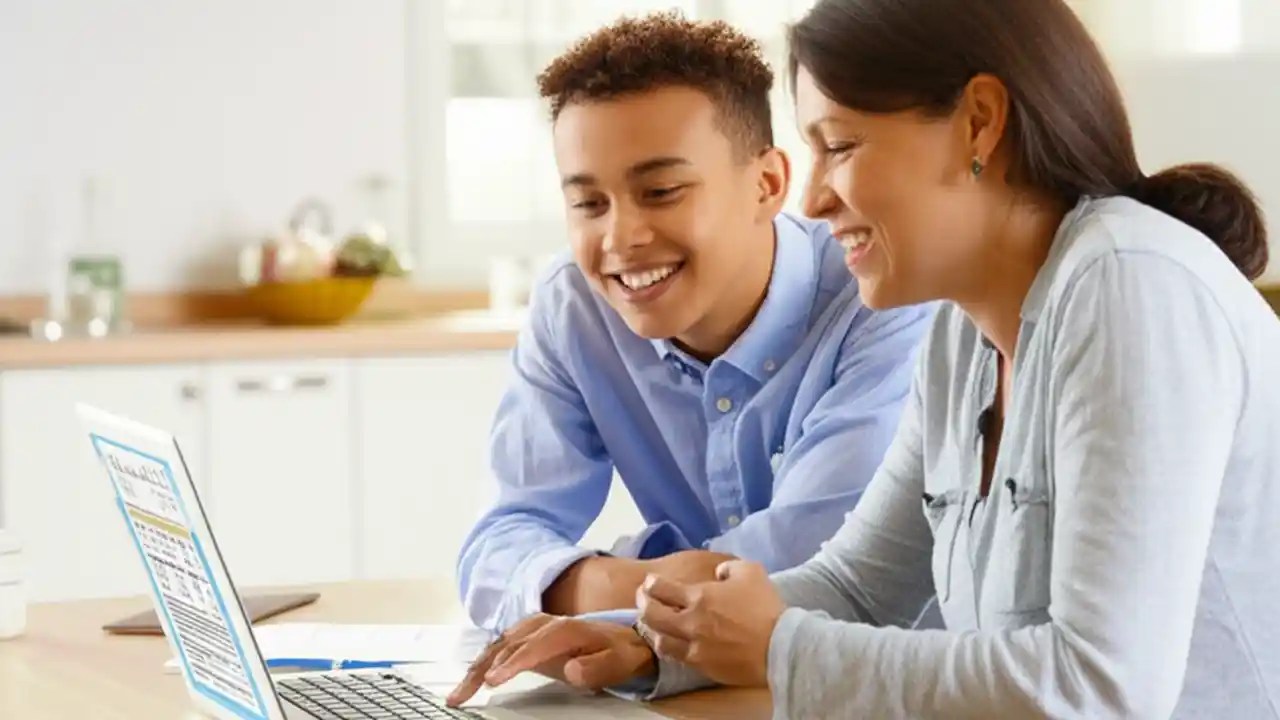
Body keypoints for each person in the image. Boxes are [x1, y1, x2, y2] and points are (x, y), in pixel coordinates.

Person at [448, 0, 1280, 717]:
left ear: (979, 124)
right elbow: (852, 588)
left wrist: (773, 646)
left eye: (839, 147)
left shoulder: (1129, 283)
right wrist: (645, 645)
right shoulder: (963, 330)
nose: (810, 200)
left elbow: (1101, 686)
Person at [456, 11, 934, 635]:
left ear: (767, 184)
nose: (620, 239)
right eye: (588, 204)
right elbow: (496, 548)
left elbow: (819, 563)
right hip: (690, 678)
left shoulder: (881, 295)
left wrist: (602, 578)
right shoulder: (574, 308)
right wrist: (607, 581)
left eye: (661, 193)